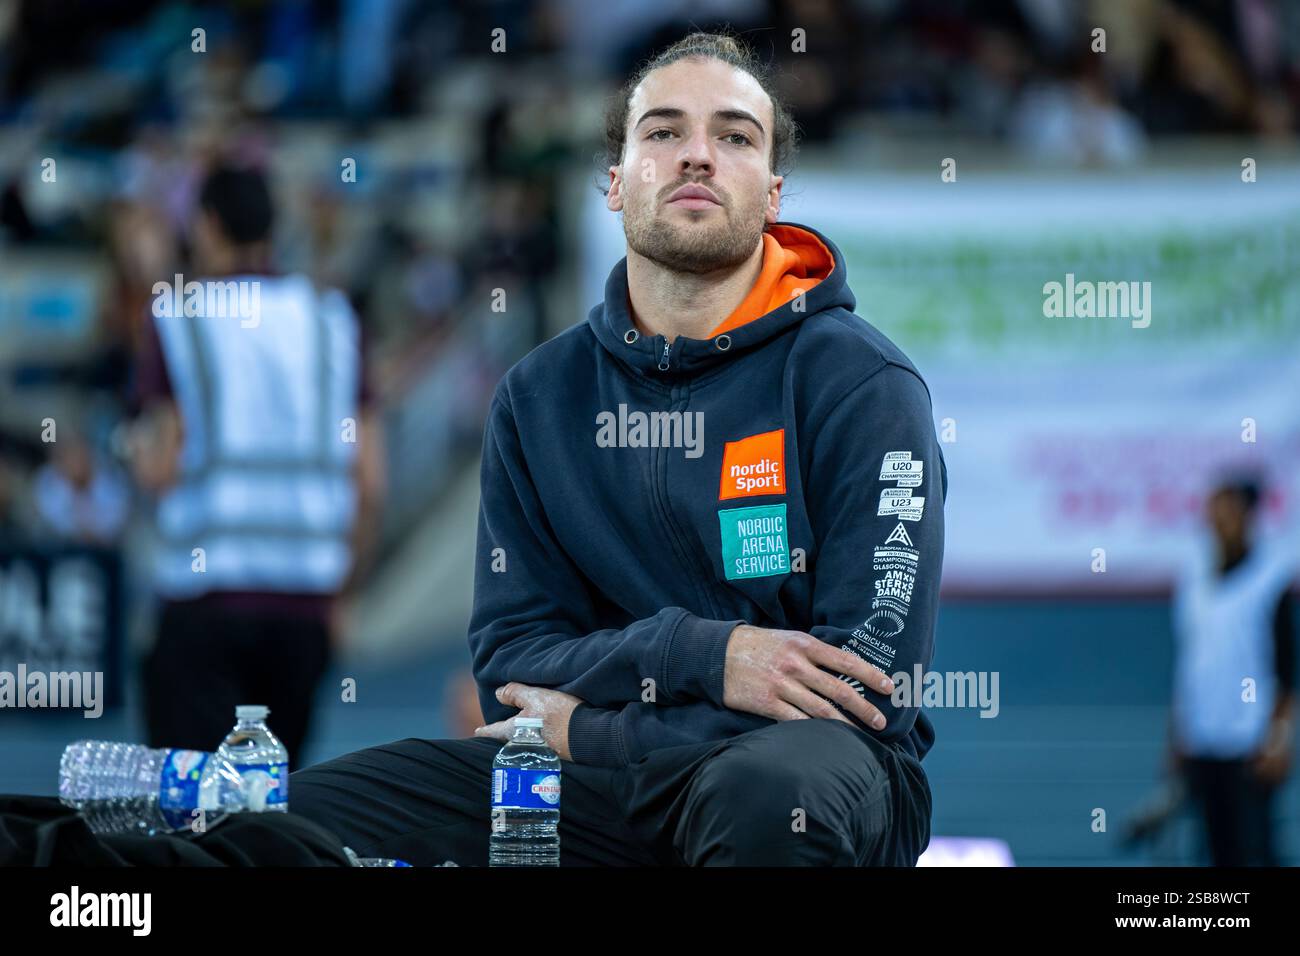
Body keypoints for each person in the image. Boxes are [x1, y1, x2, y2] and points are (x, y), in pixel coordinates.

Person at [290, 31, 947, 866]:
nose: (698, 156)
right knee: (310, 814)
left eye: (735, 136)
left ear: (773, 191)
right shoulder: (538, 397)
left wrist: (596, 727)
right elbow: (510, 670)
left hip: (810, 770)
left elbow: (862, 687)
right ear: (614, 183)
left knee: (764, 794)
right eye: (664, 132)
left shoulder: (862, 382)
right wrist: (709, 655)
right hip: (593, 776)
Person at [129, 164, 383, 767]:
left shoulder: (181, 319)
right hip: (305, 609)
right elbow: (371, 481)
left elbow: (158, 468)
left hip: (205, 605)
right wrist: (343, 598)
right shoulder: (332, 321)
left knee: (192, 817)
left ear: (208, 225)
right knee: (268, 810)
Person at [1169, 477, 1295, 866]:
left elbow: (1288, 668)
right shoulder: (1194, 580)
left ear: (1248, 516)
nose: (1221, 520)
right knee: (1213, 851)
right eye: (1214, 511)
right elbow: (1189, 662)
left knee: (1256, 851)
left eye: (1230, 511)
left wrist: (1279, 739)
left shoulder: (1271, 580)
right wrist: (1176, 732)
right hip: (1202, 741)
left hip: (1250, 744)